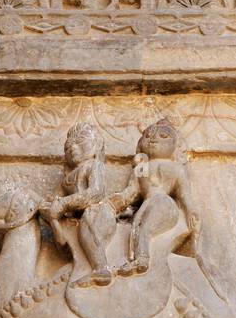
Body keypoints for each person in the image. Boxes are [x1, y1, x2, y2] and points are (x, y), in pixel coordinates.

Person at [41, 123, 136, 287]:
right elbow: (55, 198)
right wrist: (48, 206)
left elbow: (96, 192)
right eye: (68, 146)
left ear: (96, 145)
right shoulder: (68, 177)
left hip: (98, 212)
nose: (73, 147)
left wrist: (64, 203)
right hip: (76, 217)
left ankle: (101, 269)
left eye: (80, 141)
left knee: (89, 222)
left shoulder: (93, 166)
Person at [118, 119, 198, 276]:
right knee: (137, 227)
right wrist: (117, 201)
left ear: (175, 145)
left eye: (163, 136)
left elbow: (184, 194)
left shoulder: (176, 168)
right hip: (147, 204)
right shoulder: (142, 167)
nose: (153, 139)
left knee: (146, 227)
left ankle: (142, 259)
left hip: (163, 203)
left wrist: (191, 211)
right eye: (148, 136)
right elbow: (132, 192)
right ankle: (135, 259)